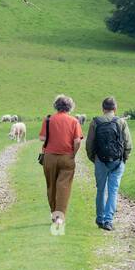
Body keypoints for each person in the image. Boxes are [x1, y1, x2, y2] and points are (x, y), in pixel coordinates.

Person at [85, 96, 131, 231]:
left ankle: (99, 219)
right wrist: (124, 158)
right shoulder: (121, 122)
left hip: (100, 160)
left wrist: (94, 159)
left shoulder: (95, 122)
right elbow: (128, 144)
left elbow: (89, 145)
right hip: (117, 161)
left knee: (100, 190)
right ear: (115, 108)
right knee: (113, 191)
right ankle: (108, 220)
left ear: (103, 109)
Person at [38, 94, 83, 232]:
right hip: (66, 157)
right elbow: (77, 141)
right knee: (64, 188)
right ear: (70, 107)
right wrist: (73, 154)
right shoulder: (74, 121)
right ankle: (59, 217)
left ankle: (54, 214)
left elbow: (41, 138)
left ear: (56, 106)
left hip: (49, 157)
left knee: (51, 186)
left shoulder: (48, 120)